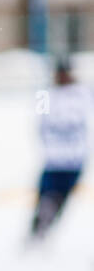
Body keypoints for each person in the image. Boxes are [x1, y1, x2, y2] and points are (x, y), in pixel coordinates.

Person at [27, 55, 91, 247]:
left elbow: (40, 125)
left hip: (71, 158)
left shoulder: (80, 92)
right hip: (56, 158)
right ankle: (38, 233)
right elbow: (39, 125)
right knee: (46, 198)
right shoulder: (50, 94)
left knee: (56, 199)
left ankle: (41, 232)